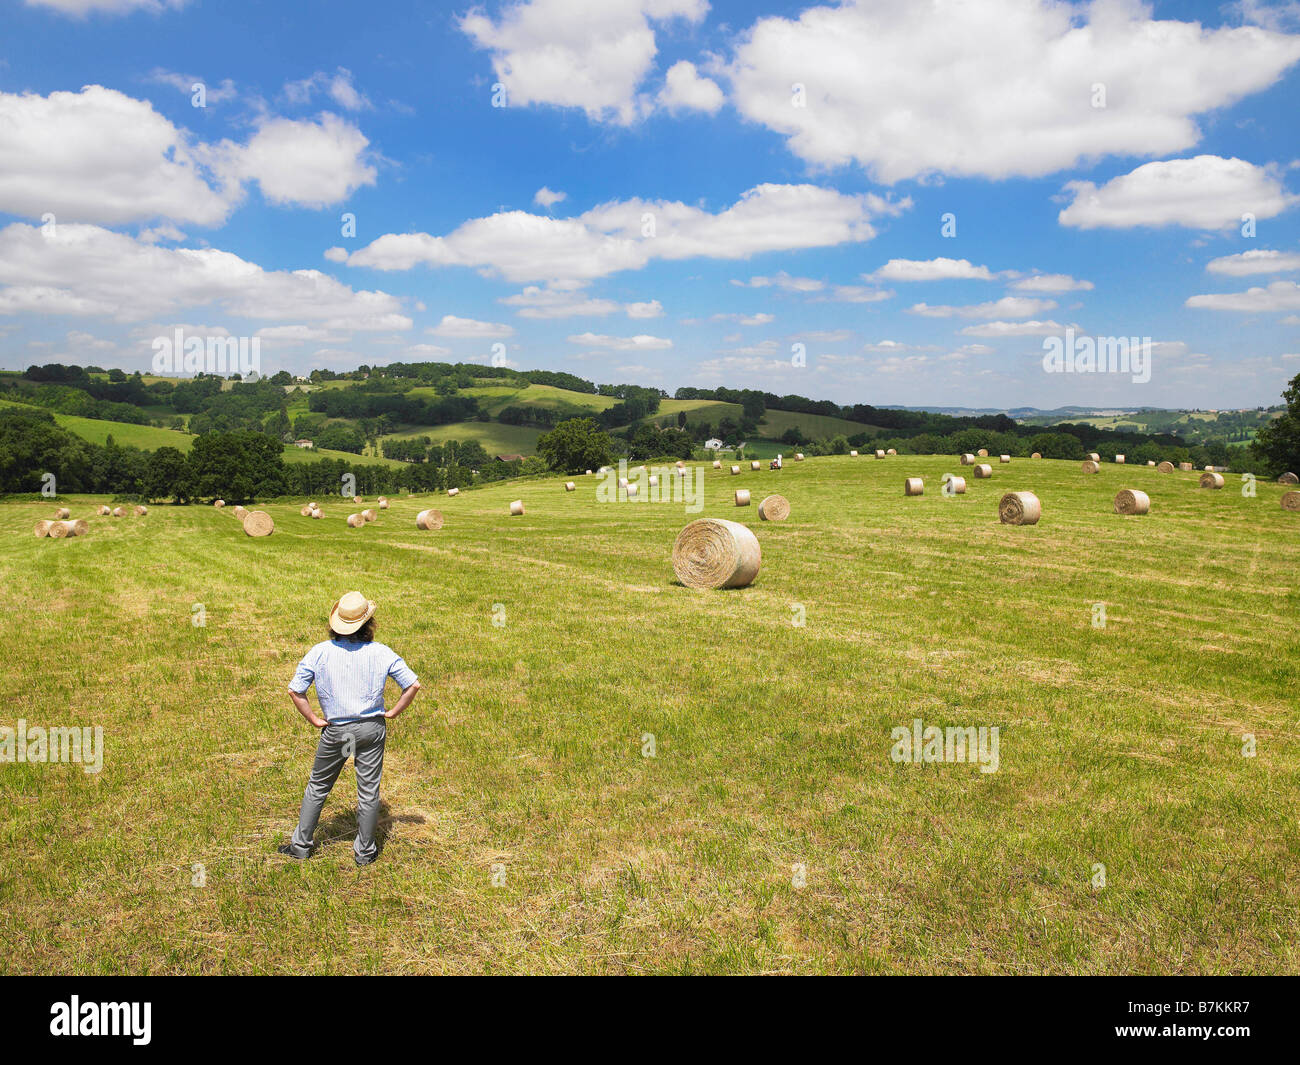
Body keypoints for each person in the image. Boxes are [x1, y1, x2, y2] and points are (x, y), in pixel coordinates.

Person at [279, 591, 420, 866]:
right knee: (368, 791)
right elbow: (413, 684)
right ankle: (365, 854)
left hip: (337, 732)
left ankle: (301, 846)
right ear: (369, 624)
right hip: (371, 730)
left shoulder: (320, 652)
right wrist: (393, 712)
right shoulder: (380, 652)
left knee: (318, 786)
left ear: (336, 624)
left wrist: (315, 719)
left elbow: (295, 691)